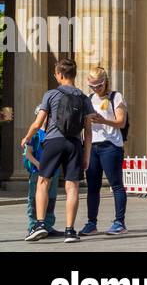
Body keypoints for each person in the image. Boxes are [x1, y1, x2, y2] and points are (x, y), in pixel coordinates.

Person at [20, 57, 94, 241]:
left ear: (60, 75)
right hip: (74, 144)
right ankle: (70, 231)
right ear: (74, 75)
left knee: (43, 181)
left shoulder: (51, 95)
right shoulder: (84, 98)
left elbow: (38, 123)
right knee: (72, 186)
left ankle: (39, 224)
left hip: (53, 142)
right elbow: (89, 131)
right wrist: (87, 155)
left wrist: (27, 137)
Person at [80, 66, 128, 237]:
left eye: (98, 86)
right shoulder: (88, 99)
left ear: (105, 82)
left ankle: (119, 222)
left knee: (116, 185)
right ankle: (91, 223)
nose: (95, 89)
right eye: (91, 86)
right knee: (92, 187)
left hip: (111, 146)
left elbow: (121, 122)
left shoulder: (116, 96)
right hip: (92, 146)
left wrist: (103, 120)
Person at [21, 105, 58, 239]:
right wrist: (39, 164)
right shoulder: (34, 134)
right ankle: (33, 226)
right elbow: (28, 154)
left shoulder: (53, 132)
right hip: (38, 170)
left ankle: (47, 226)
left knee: (51, 197)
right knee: (33, 199)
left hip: (53, 169)